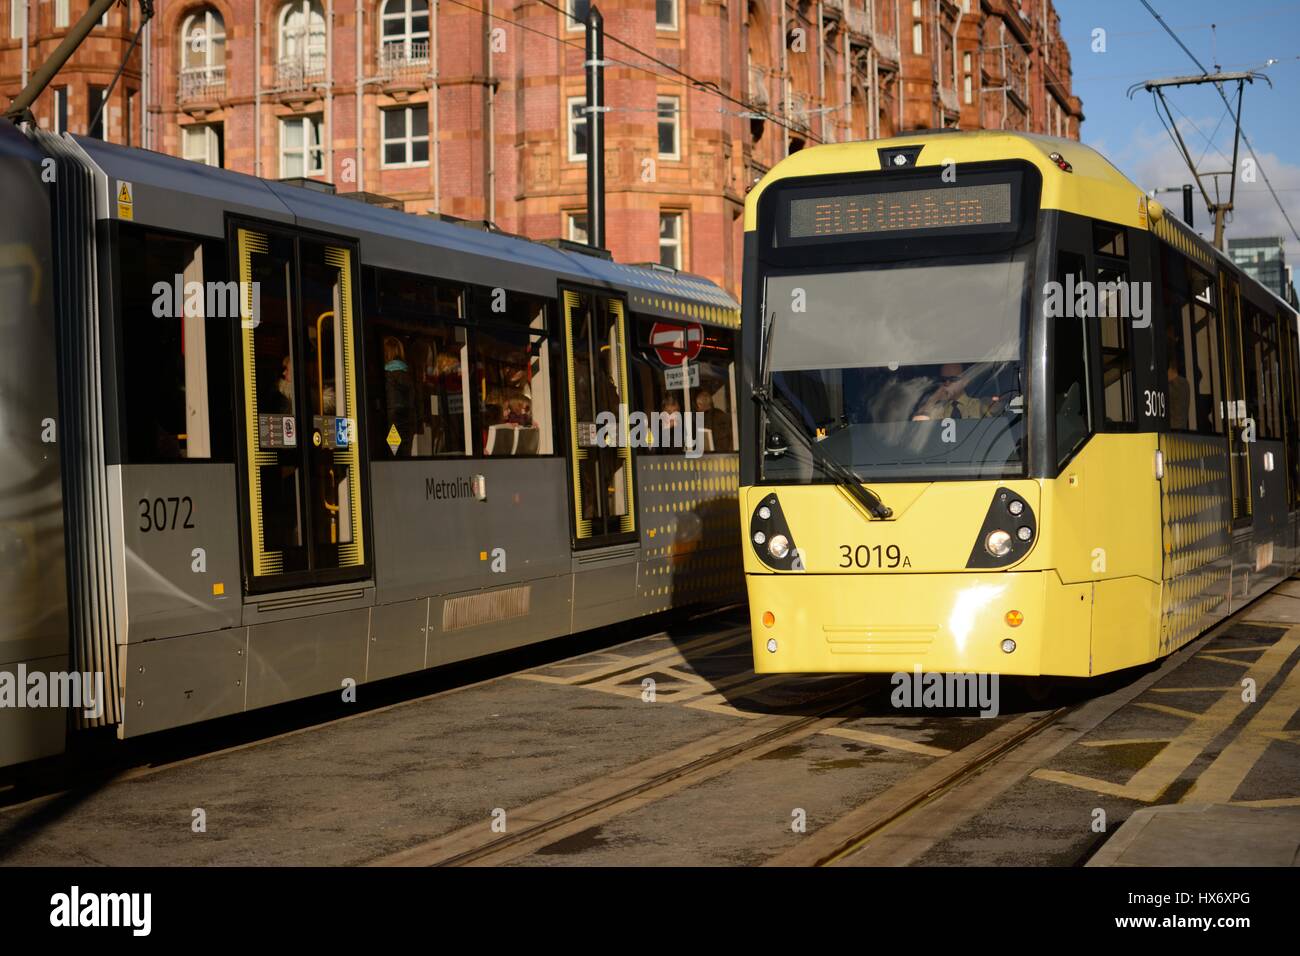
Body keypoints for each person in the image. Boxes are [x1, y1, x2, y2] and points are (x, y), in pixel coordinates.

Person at [911, 362, 998, 421]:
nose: (947, 383)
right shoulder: (937, 410)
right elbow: (917, 427)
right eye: (944, 379)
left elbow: (997, 415)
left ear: (965, 381)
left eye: (952, 379)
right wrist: (933, 399)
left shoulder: (979, 405)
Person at [383, 336, 414, 454]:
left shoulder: (387, 376)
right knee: (405, 457)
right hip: (408, 423)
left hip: (392, 423)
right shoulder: (409, 374)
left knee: (393, 456)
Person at [694, 385, 733, 452]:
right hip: (727, 454)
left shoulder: (703, 420)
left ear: (700, 405)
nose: (697, 409)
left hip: (713, 456)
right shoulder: (722, 414)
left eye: (697, 406)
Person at [1167, 354, 1192, 430]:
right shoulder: (1185, 383)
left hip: (1172, 431)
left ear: (1169, 369)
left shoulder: (1172, 387)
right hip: (1181, 430)